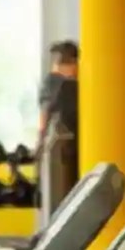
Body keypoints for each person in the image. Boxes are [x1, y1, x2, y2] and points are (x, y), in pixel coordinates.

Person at [39, 40, 79, 191]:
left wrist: (41, 143)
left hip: (66, 152)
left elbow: (45, 117)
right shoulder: (58, 83)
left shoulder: (57, 83)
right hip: (64, 151)